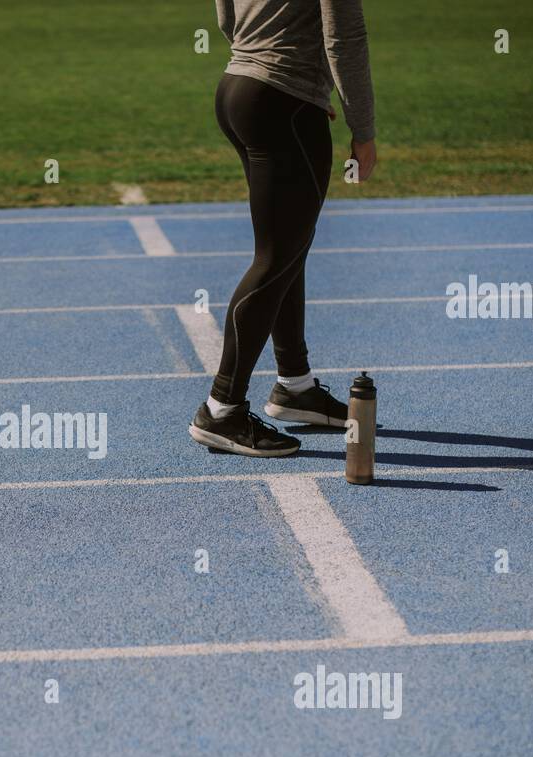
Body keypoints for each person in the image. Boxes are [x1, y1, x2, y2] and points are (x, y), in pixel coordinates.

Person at [189, 0, 377, 457]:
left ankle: (295, 385)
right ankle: (221, 409)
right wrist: (363, 130)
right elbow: (343, 37)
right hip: (284, 100)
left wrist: (260, 58)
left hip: (238, 89)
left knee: (287, 249)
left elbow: (225, 16)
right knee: (276, 258)